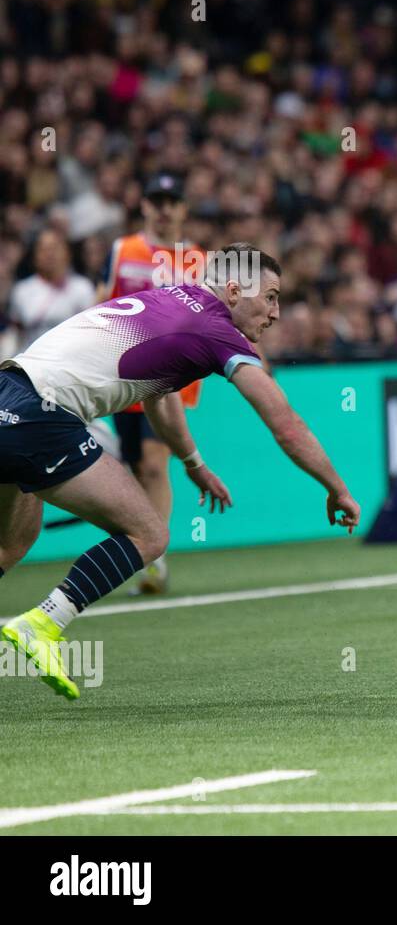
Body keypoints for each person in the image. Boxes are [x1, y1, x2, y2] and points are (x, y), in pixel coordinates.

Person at [0, 243, 360, 700]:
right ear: (234, 290)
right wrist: (336, 488)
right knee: (149, 534)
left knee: (11, 542)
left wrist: (193, 463)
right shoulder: (218, 332)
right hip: (43, 418)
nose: (275, 312)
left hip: (8, 389)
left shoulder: (171, 298)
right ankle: (44, 624)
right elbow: (285, 423)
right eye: (270, 297)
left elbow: (160, 396)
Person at [97, 172, 203, 594]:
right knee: (133, 467)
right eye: (156, 199)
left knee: (157, 464)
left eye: (171, 200)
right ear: (144, 205)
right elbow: (102, 301)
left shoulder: (196, 258)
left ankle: (154, 558)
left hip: (170, 376)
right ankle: (143, 539)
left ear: (182, 209)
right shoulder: (124, 249)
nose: (163, 208)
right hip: (122, 371)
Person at [8, 230, 96, 351]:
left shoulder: (82, 287)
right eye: (43, 249)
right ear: (35, 257)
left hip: (69, 357)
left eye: (54, 248)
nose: (49, 254)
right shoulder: (22, 290)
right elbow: (16, 333)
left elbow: (91, 331)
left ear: (67, 253)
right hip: (30, 359)